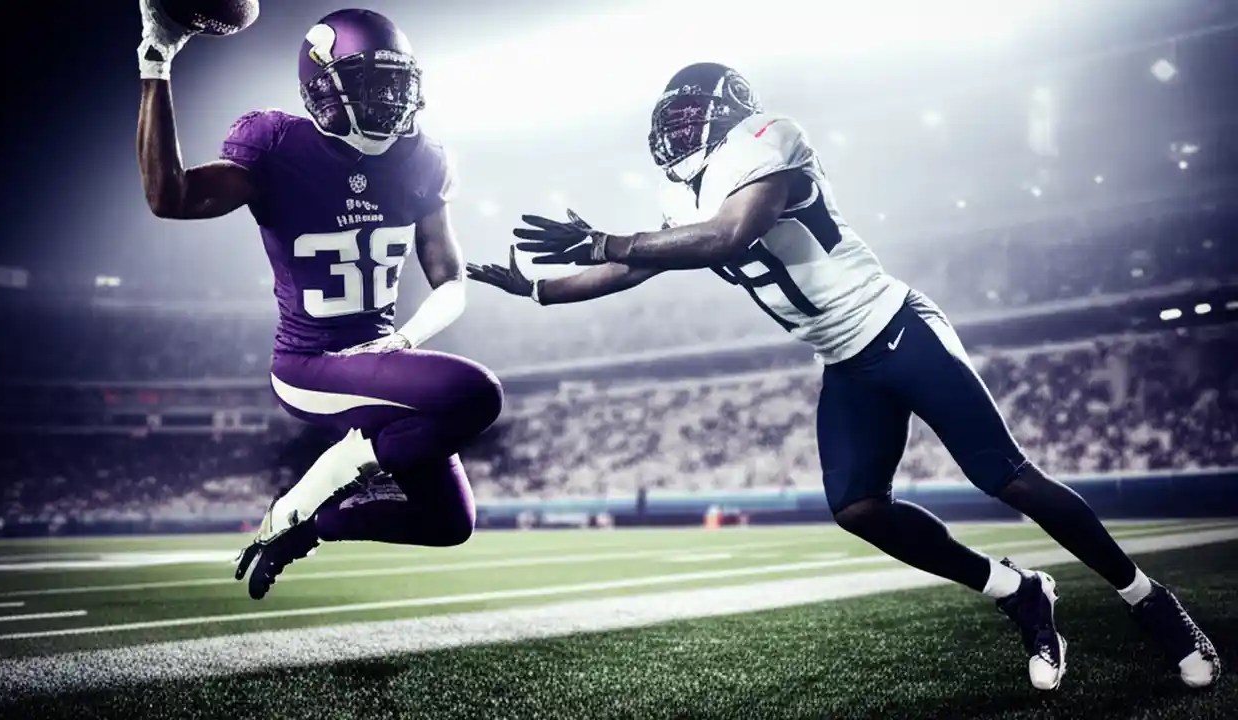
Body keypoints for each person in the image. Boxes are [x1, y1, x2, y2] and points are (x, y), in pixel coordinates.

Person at [468, 61, 1218, 690]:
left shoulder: (772, 139)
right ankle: (1019, 592)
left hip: (898, 328)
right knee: (858, 507)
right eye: (670, 120)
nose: (676, 132)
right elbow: (634, 267)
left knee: (1007, 478)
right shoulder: (680, 196)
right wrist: (536, 290)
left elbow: (729, 234)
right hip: (845, 361)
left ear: (732, 110)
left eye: (690, 115)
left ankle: (1151, 601)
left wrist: (609, 238)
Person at [136, 4, 502, 600]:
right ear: (324, 88)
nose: (390, 99)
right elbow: (169, 197)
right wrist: (157, 62)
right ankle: (319, 483)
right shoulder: (278, 144)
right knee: (477, 393)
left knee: (447, 522)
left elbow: (451, 281)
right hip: (311, 365)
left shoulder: (423, 157)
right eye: (371, 82)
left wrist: (404, 340)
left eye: (396, 82)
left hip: (383, 360)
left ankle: (305, 527)